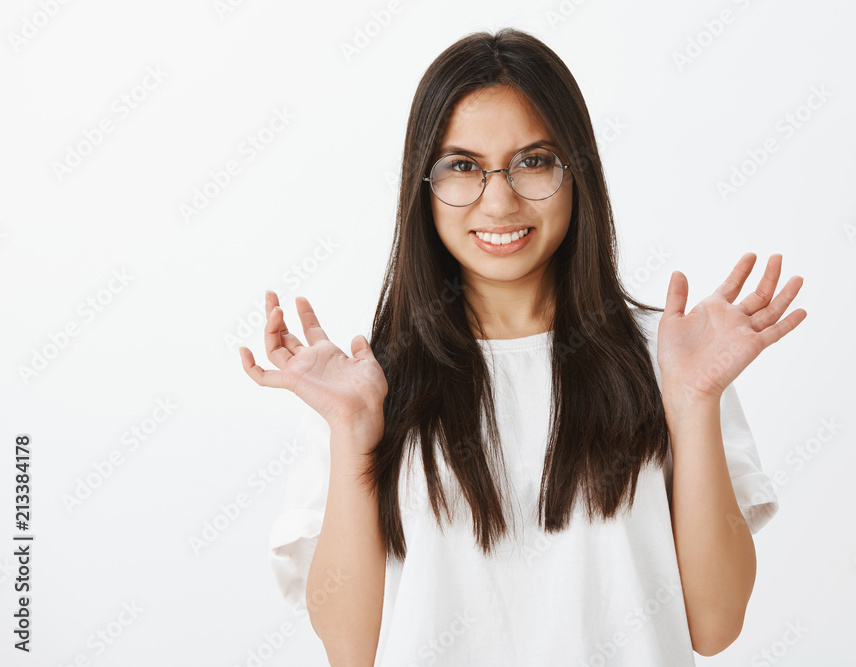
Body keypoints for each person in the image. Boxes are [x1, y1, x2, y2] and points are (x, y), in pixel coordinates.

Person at [238, 27, 806, 667]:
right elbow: (351, 649)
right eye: (463, 167)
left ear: (577, 173)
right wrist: (351, 430)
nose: (500, 200)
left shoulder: (673, 360)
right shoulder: (364, 388)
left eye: (533, 161)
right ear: (422, 187)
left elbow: (715, 623)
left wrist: (695, 403)